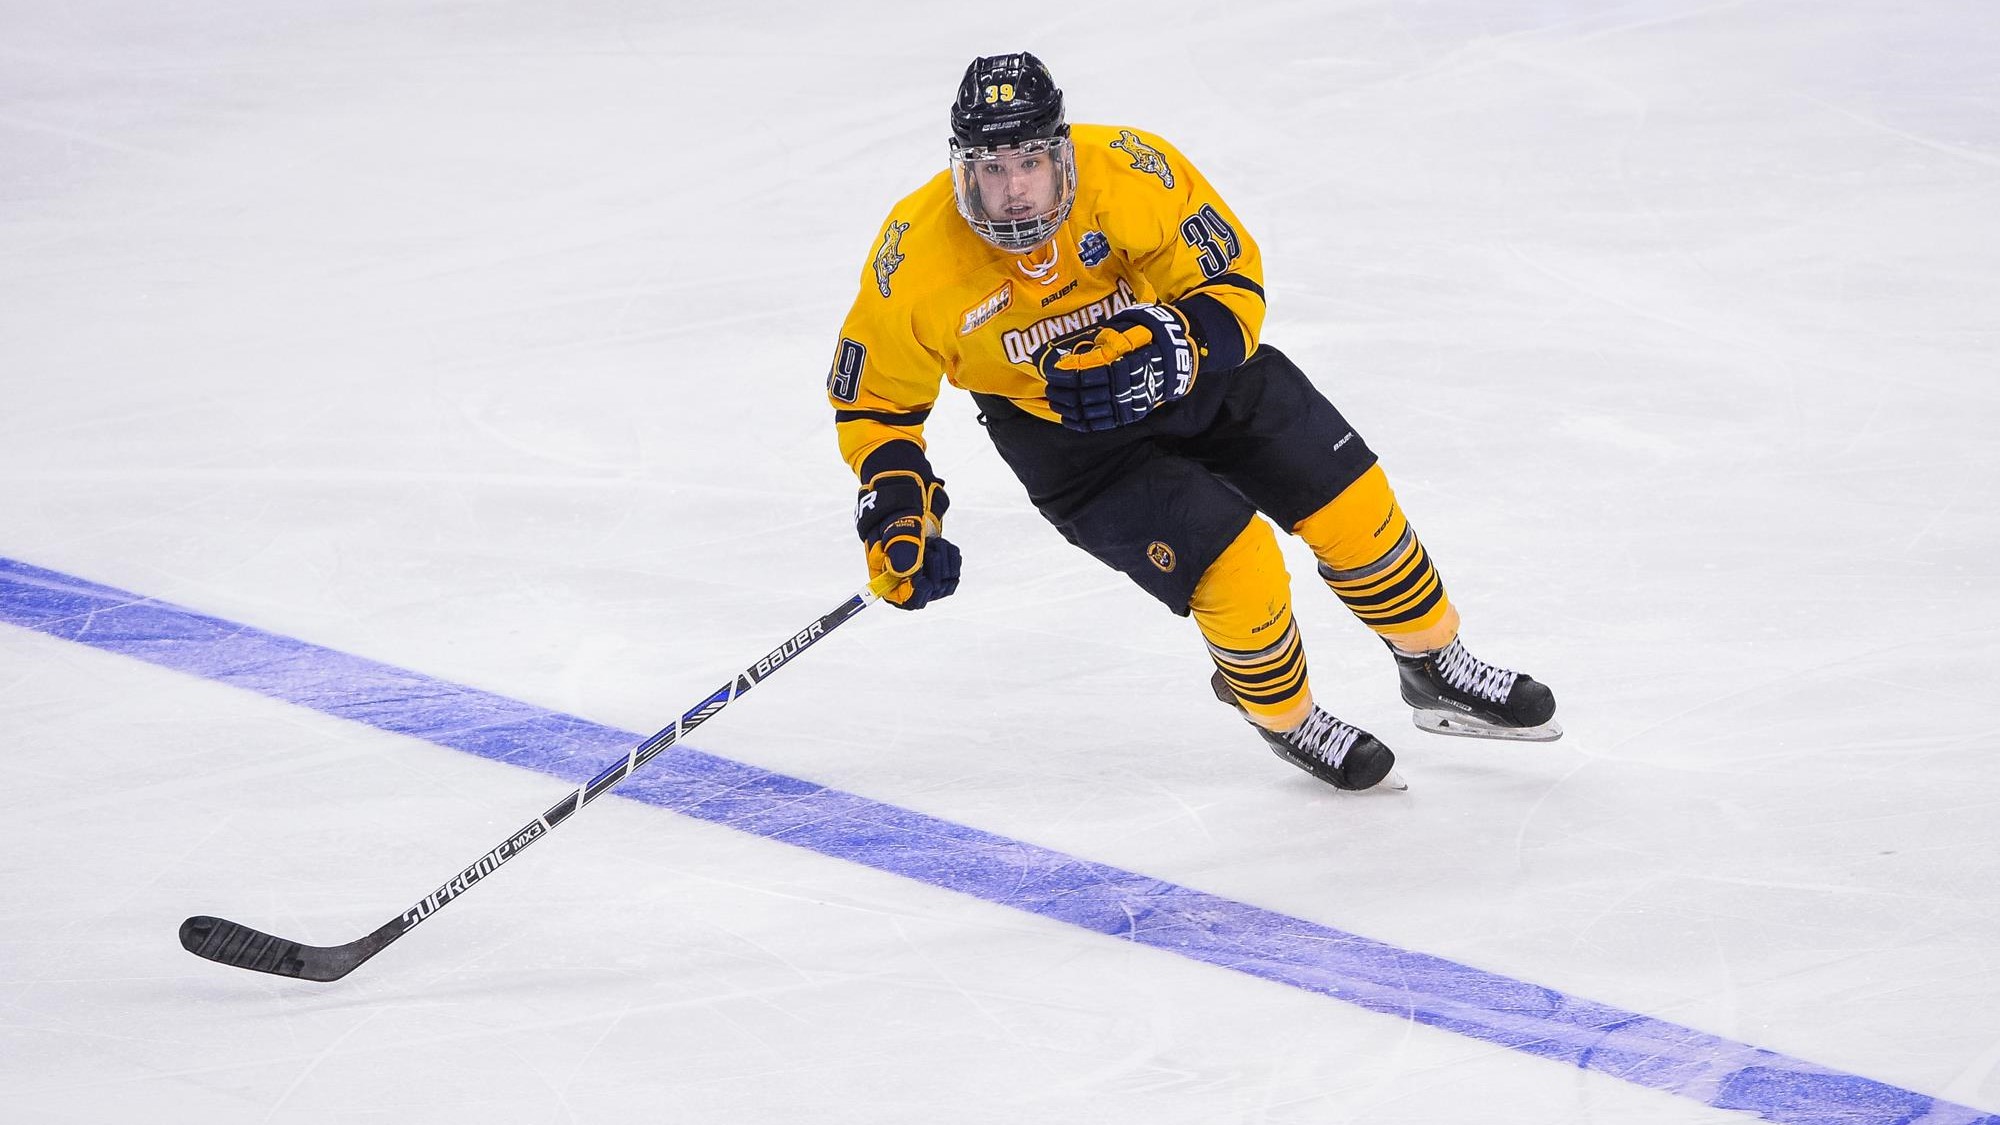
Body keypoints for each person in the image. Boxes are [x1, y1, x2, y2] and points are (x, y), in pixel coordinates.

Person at [825, 52, 1559, 793]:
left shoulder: (1130, 170)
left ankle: (1434, 662)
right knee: (1241, 565)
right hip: (1067, 439)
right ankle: (1286, 715)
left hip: (1182, 367)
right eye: (991, 168)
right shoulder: (913, 258)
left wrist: (1170, 347)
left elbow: (1232, 277)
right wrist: (897, 511)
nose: (1013, 191)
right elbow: (875, 403)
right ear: (963, 169)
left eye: (1029, 163)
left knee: (1352, 501)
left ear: (1061, 152)